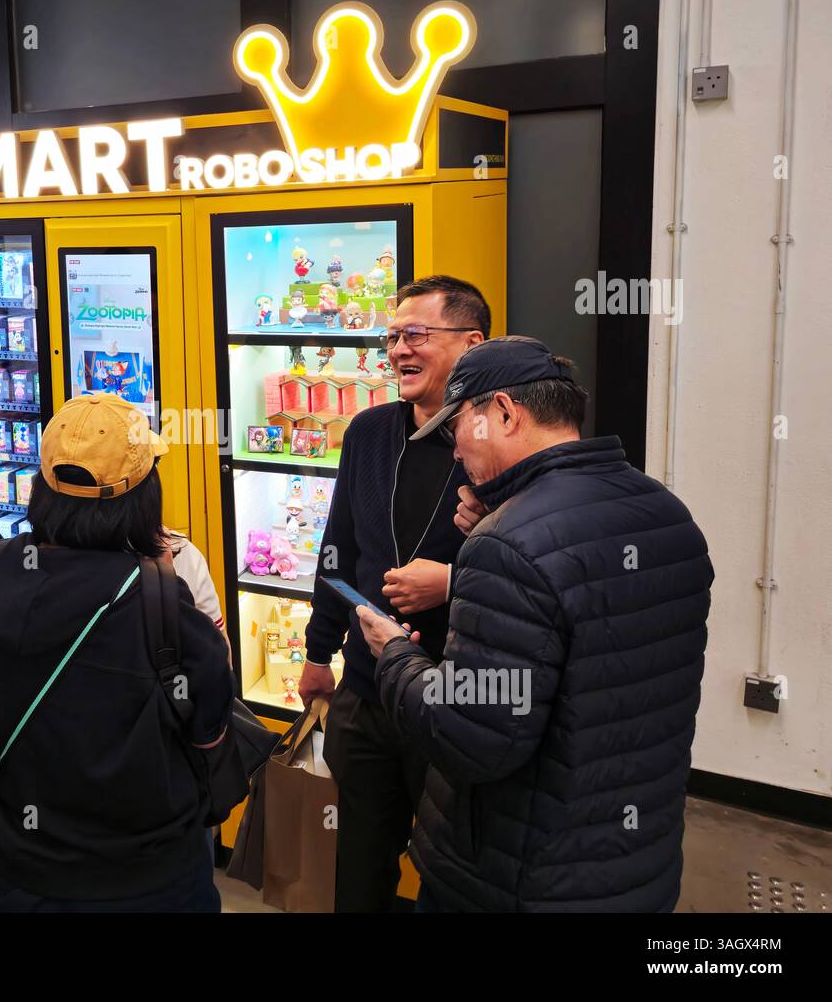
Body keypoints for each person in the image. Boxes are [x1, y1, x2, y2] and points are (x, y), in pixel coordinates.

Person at [358, 336, 714, 912]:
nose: (453, 454)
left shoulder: (510, 544)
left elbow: (472, 737)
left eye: (457, 430)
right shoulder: (666, 514)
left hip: (516, 879)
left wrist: (396, 656)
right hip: (633, 864)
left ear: (503, 411)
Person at [0, 393, 234, 913]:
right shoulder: (160, 595)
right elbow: (209, 723)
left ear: (42, 486)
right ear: (143, 496)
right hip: (149, 880)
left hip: (15, 872)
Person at [298, 275, 488, 911]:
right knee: (357, 857)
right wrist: (318, 650)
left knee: (451, 862)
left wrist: (451, 583)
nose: (399, 350)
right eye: (393, 336)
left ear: (471, 344)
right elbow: (339, 545)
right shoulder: (369, 432)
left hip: (453, 690)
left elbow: (538, 570)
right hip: (367, 689)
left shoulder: (499, 442)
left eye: (416, 336)